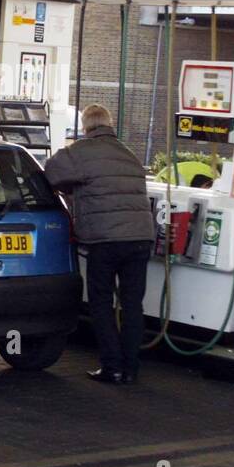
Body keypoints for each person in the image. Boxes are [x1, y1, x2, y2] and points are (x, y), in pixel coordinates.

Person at [44, 104, 155, 385]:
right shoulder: (128, 154)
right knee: (132, 305)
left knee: (101, 304)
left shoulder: (80, 151)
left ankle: (112, 367)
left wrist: (72, 190)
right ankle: (131, 370)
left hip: (105, 241)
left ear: (85, 126)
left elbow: (51, 172)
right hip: (140, 238)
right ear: (109, 123)